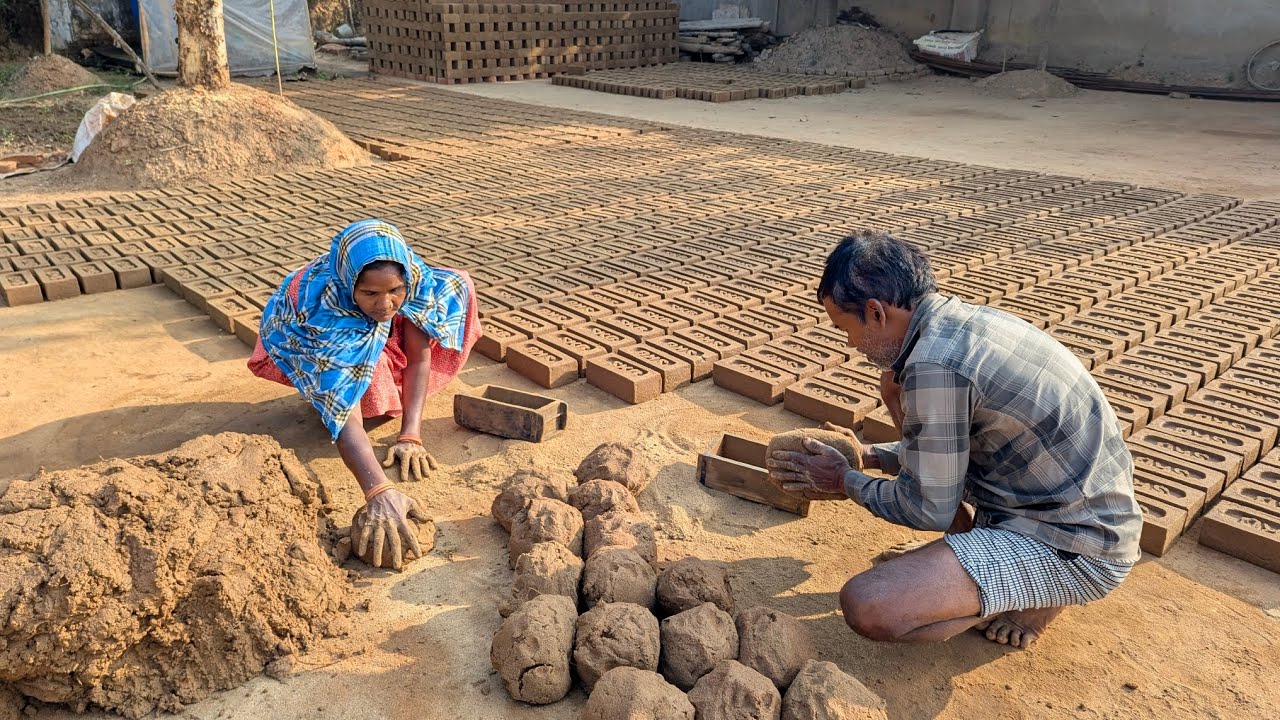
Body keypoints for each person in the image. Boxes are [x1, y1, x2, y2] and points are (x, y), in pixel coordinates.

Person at [767, 230, 1142, 649]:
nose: (850, 344)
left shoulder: (936, 369)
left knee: (870, 605)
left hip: (1074, 542)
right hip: (1050, 502)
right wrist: (867, 456)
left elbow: (926, 507)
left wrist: (843, 481)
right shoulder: (960, 322)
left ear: (875, 312)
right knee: (893, 385)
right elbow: (945, 454)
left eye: (845, 328)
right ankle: (976, 573)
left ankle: (1022, 597)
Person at [249, 219, 480, 570]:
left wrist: (411, 436)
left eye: (394, 291)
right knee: (361, 394)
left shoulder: (413, 282)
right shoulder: (324, 316)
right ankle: (329, 381)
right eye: (370, 294)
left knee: (453, 287)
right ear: (350, 285)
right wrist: (378, 490)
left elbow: (418, 357)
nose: (385, 304)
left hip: (358, 320)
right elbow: (346, 420)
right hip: (301, 336)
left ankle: (377, 358)